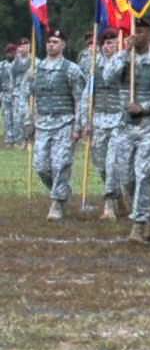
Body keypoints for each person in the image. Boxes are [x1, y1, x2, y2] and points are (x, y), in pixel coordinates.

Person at [103, 19, 150, 239]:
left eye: (141, 31)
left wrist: (145, 107)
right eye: (133, 31)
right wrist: (125, 53)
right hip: (125, 126)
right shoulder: (123, 58)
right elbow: (108, 78)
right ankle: (149, 212)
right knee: (125, 177)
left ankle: (139, 222)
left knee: (144, 174)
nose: (135, 35)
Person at [28, 28, 86, 220]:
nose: (51, 45)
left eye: (55, 42)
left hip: (65, 123)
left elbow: (80, 99)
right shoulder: (37, 69)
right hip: (43, 124)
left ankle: (57, 203)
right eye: (49, 42)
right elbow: (32, 98)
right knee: (42, 167)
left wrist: (78, 127)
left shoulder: (72, 70)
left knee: (61, 164)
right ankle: (61, 190)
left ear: (63, 45)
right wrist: (30, 122)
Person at [79, 30, 124, 219]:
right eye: (105, 43)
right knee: (101, 164)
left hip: (119, 120)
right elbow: (86, 96)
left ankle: (109, 205)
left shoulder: (125, 64)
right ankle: (117, 196)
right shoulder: (94, 66)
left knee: (112, 162)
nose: (108, 46)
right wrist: (85, 122)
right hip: (98, 120)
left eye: (112, 43)